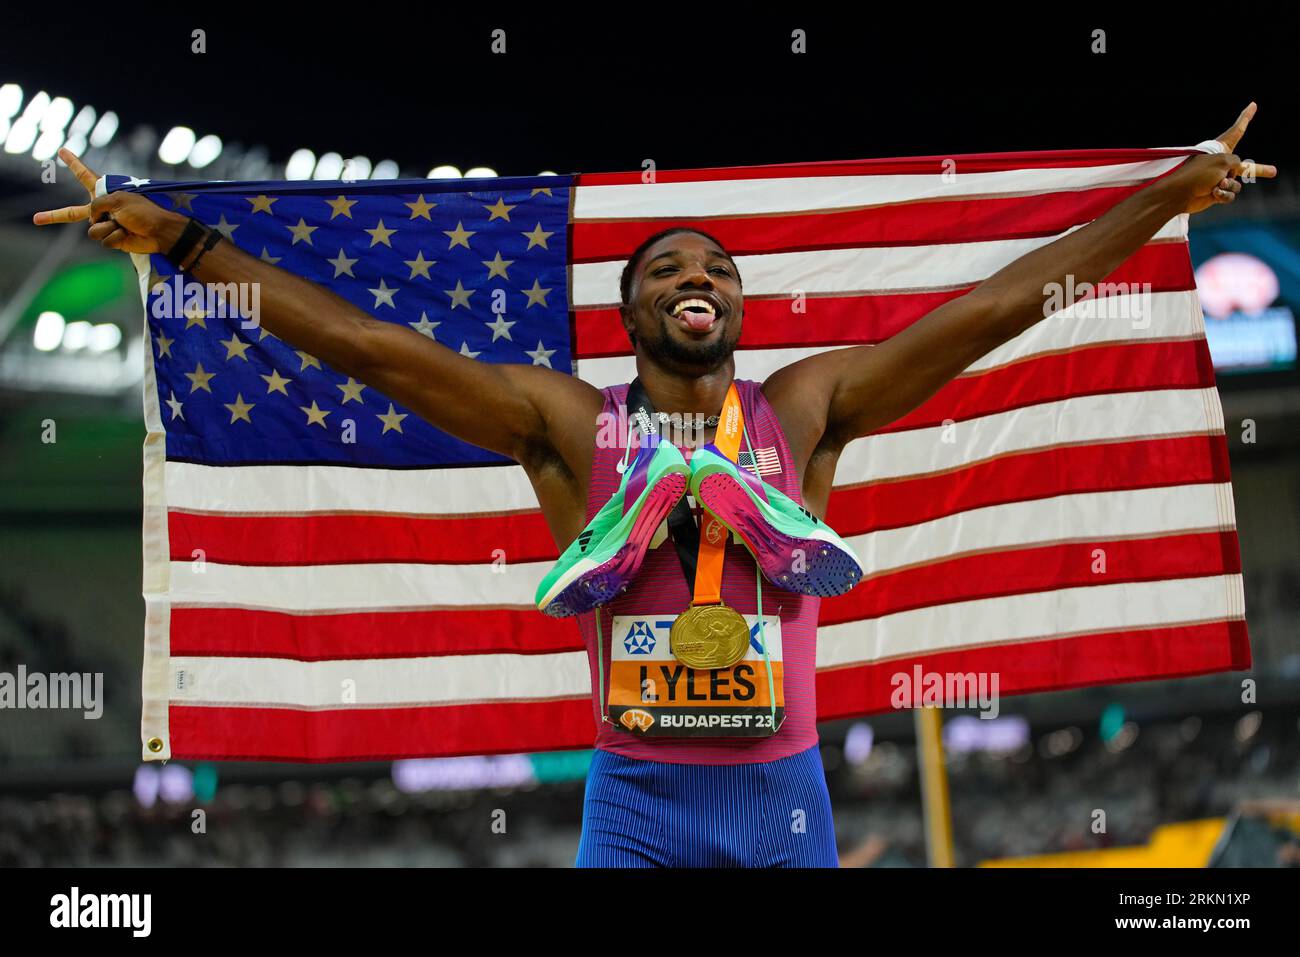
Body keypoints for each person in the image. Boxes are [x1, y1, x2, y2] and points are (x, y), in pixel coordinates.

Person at [34, 106, 1273, 867]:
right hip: (634, 804)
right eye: (669, 266)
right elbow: (374, 351)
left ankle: (756, 531)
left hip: (785, 798)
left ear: (734, 307)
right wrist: (188, 246)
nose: (699, 275)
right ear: (628, 312)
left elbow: (995, 309)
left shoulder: (803, 406)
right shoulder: (566, 421)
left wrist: (1161, 198)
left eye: (717, 267)